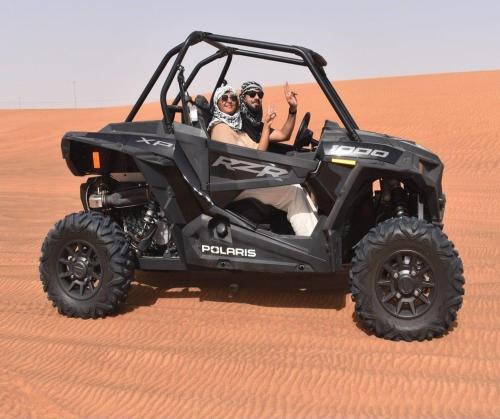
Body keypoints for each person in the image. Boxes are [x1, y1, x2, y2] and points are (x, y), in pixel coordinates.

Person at [208, 85, 317, 236]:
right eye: (224, 98)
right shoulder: (220, 128)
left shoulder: (235, 127)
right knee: (293, 193)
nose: (229, 101)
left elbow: (261, 147)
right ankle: (311, 239)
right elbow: (255, 156)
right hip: (235, 187)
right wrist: (266, 127)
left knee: (297, 186)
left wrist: (292, 110)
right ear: (217, 103)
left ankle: (314, 230)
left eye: (232, 97)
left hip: (246, 180)